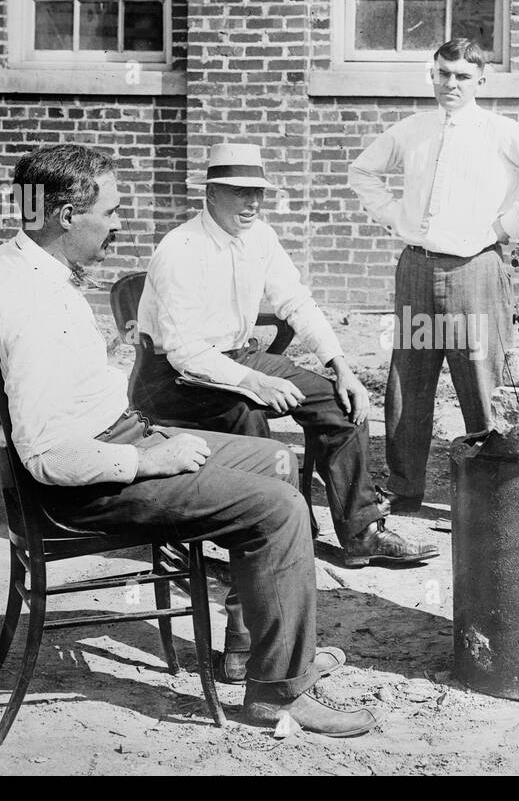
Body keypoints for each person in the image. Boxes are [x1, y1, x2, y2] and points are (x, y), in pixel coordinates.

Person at [0, 143, 377, 736]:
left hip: (115, 434)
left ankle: (252, 651)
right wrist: (149, 459)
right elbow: (49, 456)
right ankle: (278, 696)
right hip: (91, 481)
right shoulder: (31, 300)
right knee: (282, 509)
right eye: (109, 212)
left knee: (277, 462)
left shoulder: (21, 265)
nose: (117, 225)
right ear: (64, 216)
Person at [134, 142, 436, 571]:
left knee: (339, 403)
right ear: (211, 194)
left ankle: (361, 531)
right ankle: (266, 534)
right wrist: (255, 383)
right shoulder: (180, 248)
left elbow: (296, 302)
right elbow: (185, 352)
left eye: (258, 191)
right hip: (170, 379)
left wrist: (341, 366)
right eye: (240, 192)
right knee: (245, 409)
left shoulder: (260, 236)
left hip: (235, 357)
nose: (252, 202)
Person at [348, 38, 519, 511]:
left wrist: (507, 226)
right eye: (443, 73)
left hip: (474, 272)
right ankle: (406, 485)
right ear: (432, 75)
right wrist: (396, 217)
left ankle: (490, 492)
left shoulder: (500, 131)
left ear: (480, 81)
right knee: (409, 378)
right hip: (417, 268)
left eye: (462, 76)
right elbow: (362, 172)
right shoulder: (413, 130)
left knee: (480, 376)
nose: (451, 84)